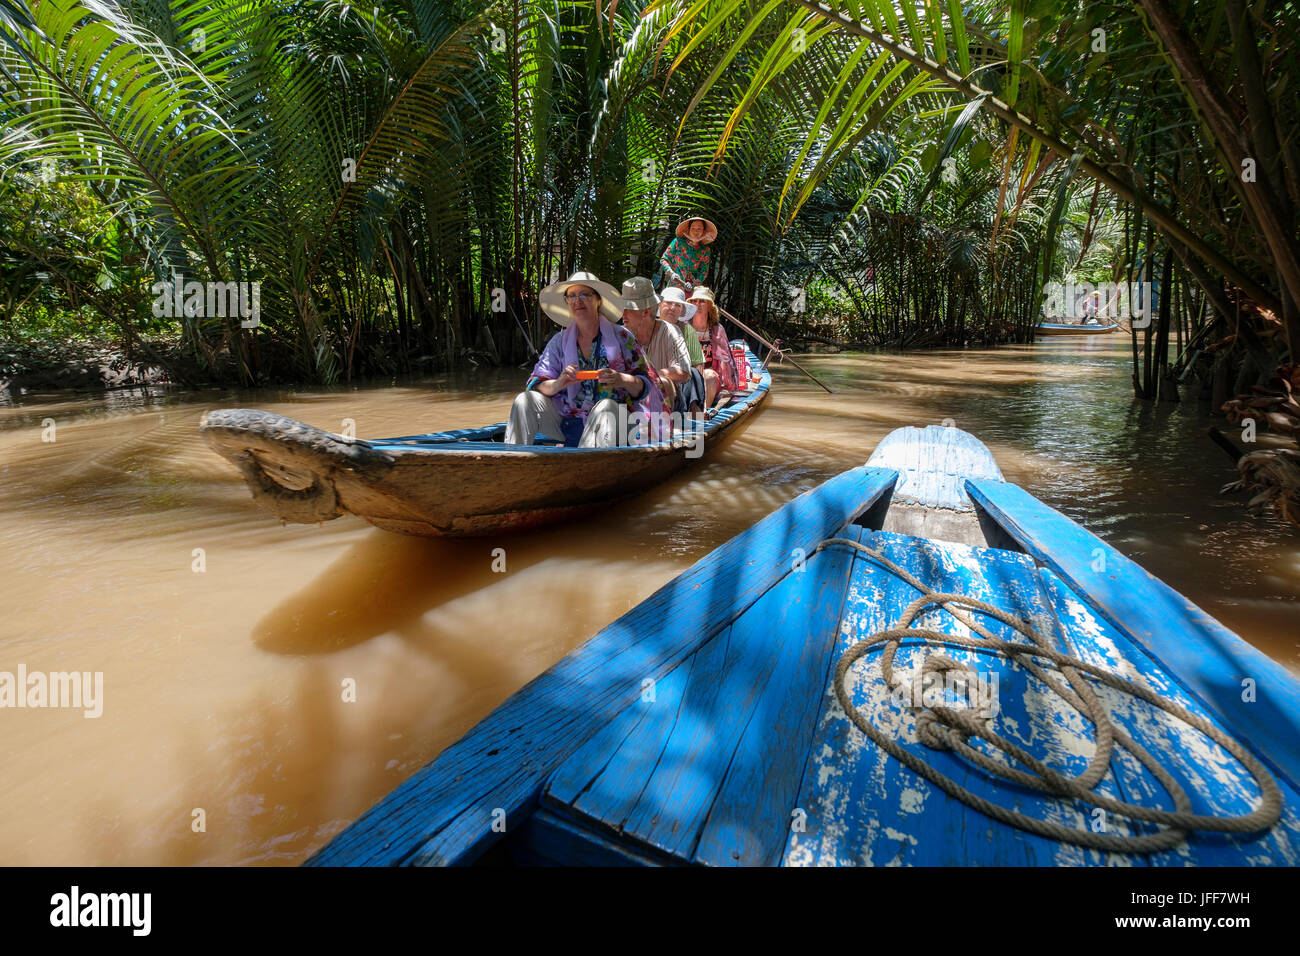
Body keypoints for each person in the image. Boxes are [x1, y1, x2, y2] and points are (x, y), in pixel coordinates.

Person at [505, 271, 663, 447]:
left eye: (584, 295)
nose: (576, 301)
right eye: (571, 296)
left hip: (617, 422)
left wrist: (621, 379)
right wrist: (558, 383)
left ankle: (590, 467)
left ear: (598, 300)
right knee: (524, 401)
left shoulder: (623, 338)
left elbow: (645, 385)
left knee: (606, 408)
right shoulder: (559, 342)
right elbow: (535, 383)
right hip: (569, 419)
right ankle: (515, 460)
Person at [619, 276, 706, 415]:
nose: (622, 314)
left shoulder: (671, 331)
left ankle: (665, 431)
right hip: (632, 402)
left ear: (646, 312)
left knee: (664, 383)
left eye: (628, 309)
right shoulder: (621, 334)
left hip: (668, 405)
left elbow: (684, 371)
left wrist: (646, 377)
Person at [686, 286, 739, 407]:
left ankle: (702, 414)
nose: (697, 304)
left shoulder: (717, 330)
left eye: (702, 301)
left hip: (711, 377)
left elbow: (724, 363)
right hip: (688, 374)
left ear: (710, 306)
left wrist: (728, 386)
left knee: (708, 376)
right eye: (694, 301)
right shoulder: (684, 327)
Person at [659, 216, 716, 292]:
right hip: (674, 286)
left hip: (692, 290)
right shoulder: (678, 242)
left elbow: (704, 271)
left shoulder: (705, 250)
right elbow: (664, 259)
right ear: (688, 230)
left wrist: (695, 284)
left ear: (704, 231)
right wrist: (671, 273)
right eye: (693, 228)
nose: (696, 231)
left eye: (699, 229)